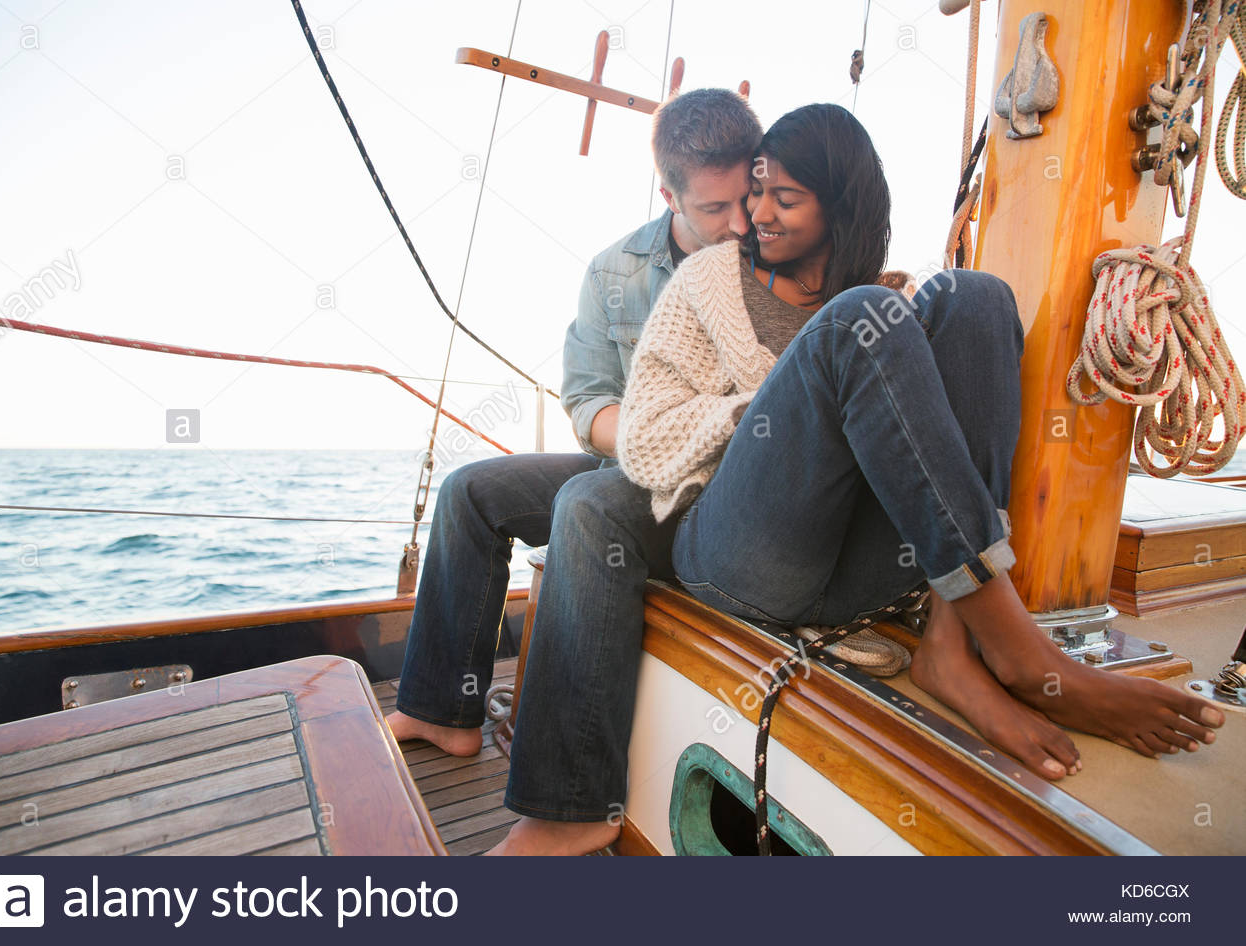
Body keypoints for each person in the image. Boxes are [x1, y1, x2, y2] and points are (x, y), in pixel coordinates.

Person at [617, 103, 1225, 782]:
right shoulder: (709, 281)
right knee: (861, 322)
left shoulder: (877, 291)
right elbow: (643, 442)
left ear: (841, 206)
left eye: (782, 198)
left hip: (853, 571)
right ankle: (1019, 650)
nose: (756, 214)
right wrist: (787, 402)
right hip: (737, 555)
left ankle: (951, 642)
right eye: (757, 193)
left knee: (978, 297)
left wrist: (872, 372)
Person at [385, 89, 762, 854]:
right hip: (634, 463)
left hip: (721, 492)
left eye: (751, 197)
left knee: (588, 501)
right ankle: (439, 709)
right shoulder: (615, 271)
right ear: (669, 194)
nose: (745, 224)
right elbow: (588, 397)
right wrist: (649, 443)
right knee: (471, 492)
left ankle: (572, 806)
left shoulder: (776, 255)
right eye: (718, 208)